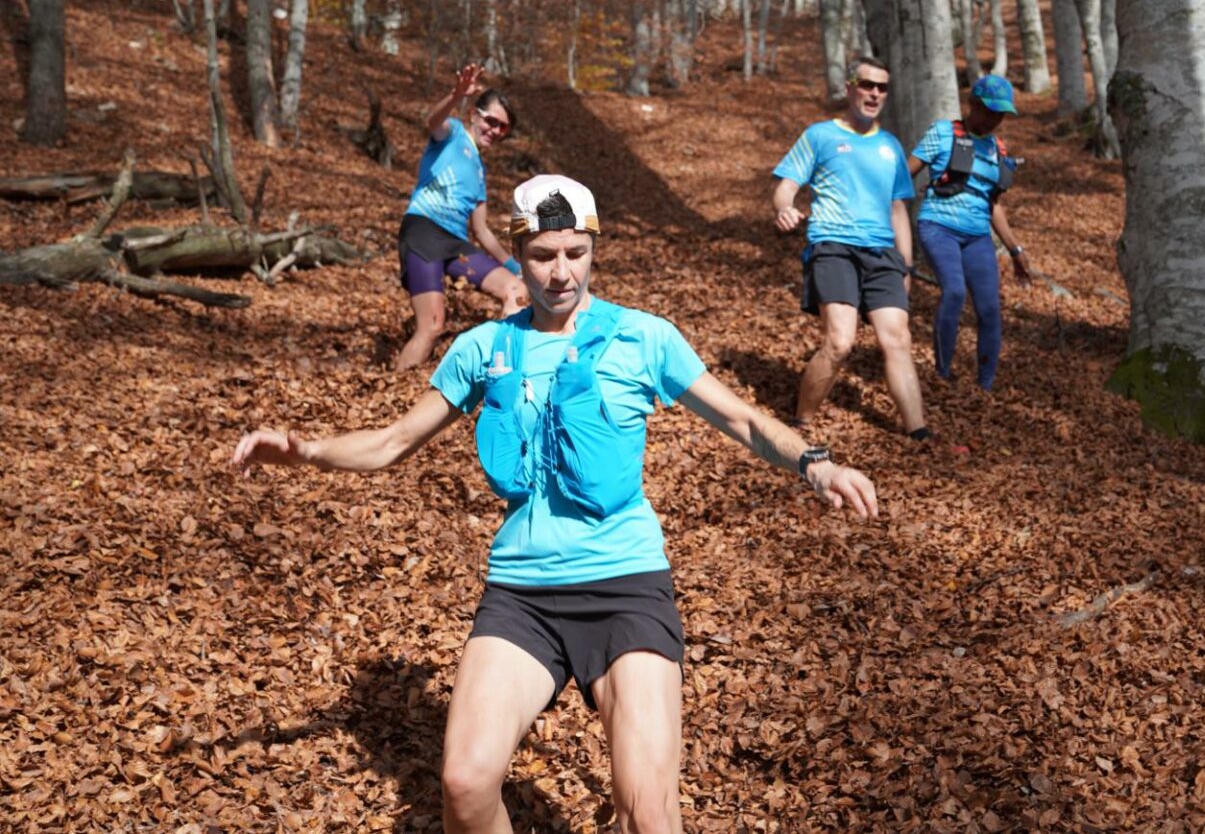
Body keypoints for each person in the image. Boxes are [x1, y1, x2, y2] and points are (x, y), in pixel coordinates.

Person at [233, 174, 877, 834]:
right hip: (523, 594)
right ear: (517, 251)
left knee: (649, 814)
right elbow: (394, 440)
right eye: (543, 255)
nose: (562, 271)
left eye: (576, 251)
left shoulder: (642, 337)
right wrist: (306, 450)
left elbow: (739, 418)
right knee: (464, 782)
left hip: (625, 587)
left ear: (594, 247)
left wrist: (813, 461)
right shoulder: (483, 350)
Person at [771, 55, 929, 440]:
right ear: (850, 87)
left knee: (898, 339)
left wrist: (905, 265)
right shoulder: (820, 135)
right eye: (867, 85)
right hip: (834, 246)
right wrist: (785, 209)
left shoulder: (890, 145)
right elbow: (786, 186)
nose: (874, 93)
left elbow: (897, 208)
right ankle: (801, 422)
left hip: (882, 256)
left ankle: (920, 433)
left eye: (882, 87)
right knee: (840, 342)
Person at [395, 63, 527, 371]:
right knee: (431, 325)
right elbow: (432, 120)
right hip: (423, 230)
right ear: (474, 114)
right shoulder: (453, 133)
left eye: (502, 128)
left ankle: (502, 371)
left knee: (516, 290)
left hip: (455, 243)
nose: (495, 131)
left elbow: (481, 231)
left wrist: (516, 267)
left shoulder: (480, 171)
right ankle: (397, 389)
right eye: (491, 121)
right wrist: (456, 94)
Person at [906, 74, 1032, 391]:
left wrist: (1015, 250)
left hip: (977, 237)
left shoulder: (997, 149)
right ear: (972, 104)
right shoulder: (944, 133)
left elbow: (993, 205)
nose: (993, 120)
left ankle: (985, 386)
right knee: (955, 291)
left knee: (990, 308)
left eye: (1000, 114)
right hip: (938, 225)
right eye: (989, 111)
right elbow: (905, 173)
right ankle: (942, 375)